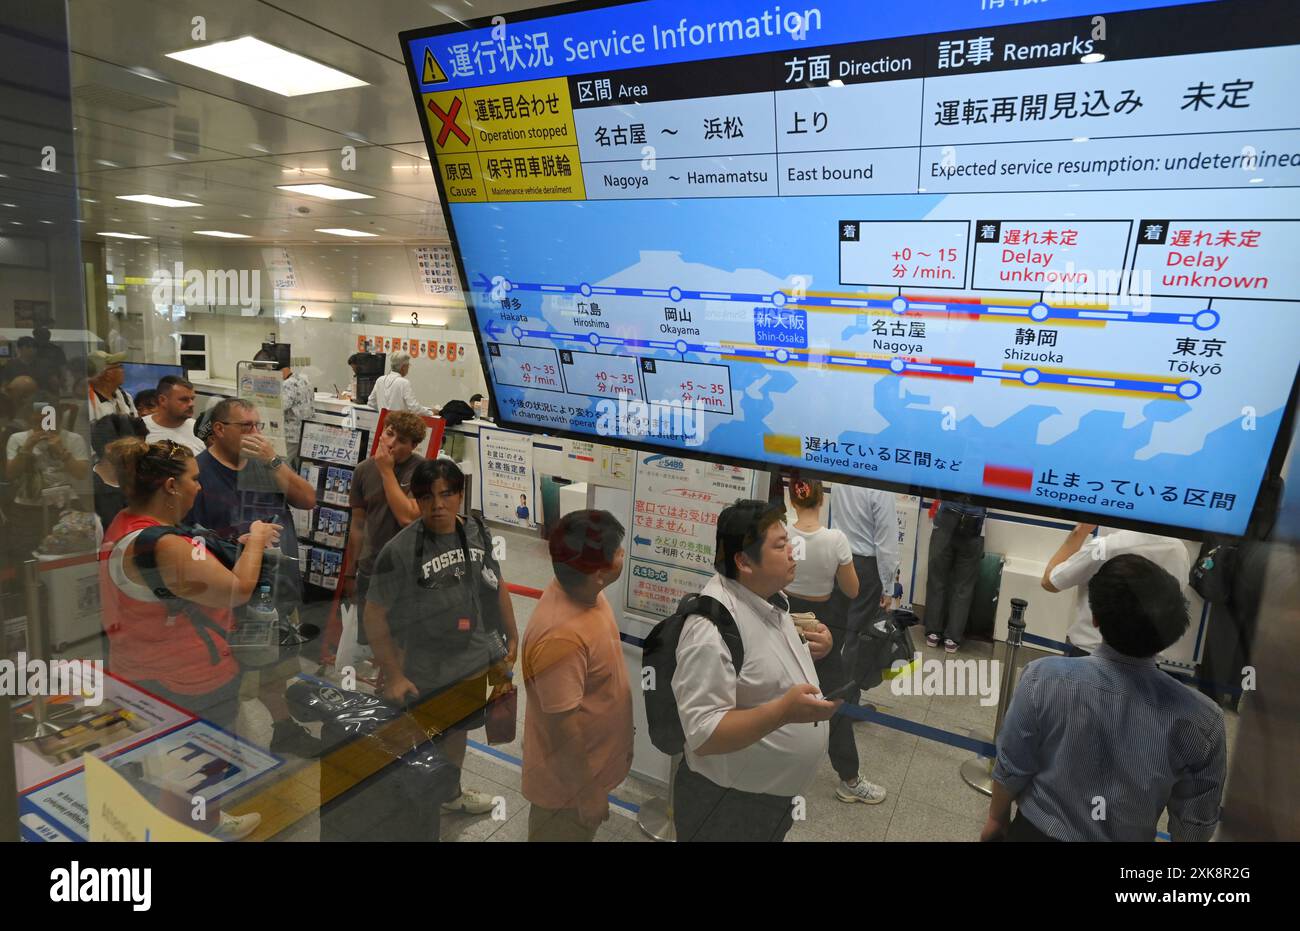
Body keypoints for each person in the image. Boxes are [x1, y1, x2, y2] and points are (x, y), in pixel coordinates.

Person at [984, 554, 1226, 841]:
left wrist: (996, 820)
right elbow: (1194, 826)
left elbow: (1012, 767)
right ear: (1175, 629)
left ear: (1096, 619)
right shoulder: (1203, 720)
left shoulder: (1043, 678)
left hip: (1035, 834)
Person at [99, 436, 267, 840]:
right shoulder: (165, 544)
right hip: (188, 678)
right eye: (193, 478)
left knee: (168, 764)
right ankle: (202, 830)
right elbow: (237, 589)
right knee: (199, 763)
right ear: (170, 486)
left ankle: (180, 825)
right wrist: (258, 540)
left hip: (139, 668)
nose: (199, 486)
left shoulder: (126, 523)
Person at [364, 458, 520, 830]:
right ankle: (416, 816)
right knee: (417, 744)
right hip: (423, 671)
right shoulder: (399, 551)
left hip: (472, 662)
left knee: (458, 732)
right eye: (427, 496)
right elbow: (374, 615)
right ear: (416, 500)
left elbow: (495, 583)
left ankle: (449, 795)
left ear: (459, 495)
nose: (437, 505)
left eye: (446, 494)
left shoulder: (477, 532)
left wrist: (511, 636)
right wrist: (395, 674)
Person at [671, 499, 838, 842]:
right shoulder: (709, 630)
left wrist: (811, 649)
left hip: (767, 799)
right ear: (743, 561)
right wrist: (783, 712)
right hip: (726, 807)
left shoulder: (767, 596)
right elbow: (704, 733)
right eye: (780, 545)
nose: (793, 550)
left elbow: (760, 669)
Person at [186, 397, 319, 757]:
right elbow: (190, 539)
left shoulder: (266, 466)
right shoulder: (197, 473)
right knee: (232, 678)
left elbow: (307, 500)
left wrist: (274, 461)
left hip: (276, 589)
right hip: (230, 595)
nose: (255, 434)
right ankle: (220, 749)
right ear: (218, 430)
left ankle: (283, 728)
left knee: (278, 666)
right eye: (246, 427)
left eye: (259, 426)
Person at [522, 510, 633, 842]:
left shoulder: (583, 592)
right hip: (566, 792)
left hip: (587, 772)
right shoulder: (561, 636)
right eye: (617, 551)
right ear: (599, 573)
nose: (623, 554)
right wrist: (587, 792)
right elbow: (561, 726)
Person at [784, 478, 885, 804]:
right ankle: (850, 780)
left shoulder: (780, 532)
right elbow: (853, 590)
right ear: (821, 498)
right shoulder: (835, 540)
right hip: (823, 632)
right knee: (835, 705)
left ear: (792, 496)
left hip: (784, 628)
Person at [1042, 523, 1190, 657]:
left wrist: (1080, 531)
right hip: (1148, 661)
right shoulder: (1179, 550)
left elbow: (1051, 582)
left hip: (1091, 653)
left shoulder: (1109, 546)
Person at [344, 412, 428, 642]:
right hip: (371, 565)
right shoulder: (362, 470)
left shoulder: (423, 471)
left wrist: (386, 471)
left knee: (400, 640)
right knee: (368, 636)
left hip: (406, 570)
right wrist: (351, 571)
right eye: (389, 434)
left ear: (414, 446)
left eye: (401, 441)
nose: (391, 443)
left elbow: (408, 517)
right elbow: (358, 523)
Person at [5, 401, 90, 557]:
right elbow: (10, 474)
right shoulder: (18, 438)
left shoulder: (73, 439)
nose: (43, 425)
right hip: (27, 504)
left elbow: (81, 474)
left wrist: (62, 451)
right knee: (24, 552)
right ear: (30, 419)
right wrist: (26, 448)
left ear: (57, 418)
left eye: (48, 420)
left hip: (64, 502)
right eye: (38, 421)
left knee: (74, 550)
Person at [829, 483, 899, 670]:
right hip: (866, 568)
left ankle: (827, 683)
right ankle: (847, 691)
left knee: (834, 628)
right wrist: (888, 587)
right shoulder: (881, 486)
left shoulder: (839, 476)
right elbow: (886, 542)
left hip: (838, 559)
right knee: (856, 635)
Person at [923, 500, 986, 653]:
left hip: (945, 526)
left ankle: (933, 633)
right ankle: (952, 638)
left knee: (937, 581)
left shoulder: (955, 474)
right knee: (963, 588)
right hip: (974, 529)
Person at [90, 413, 147, 531]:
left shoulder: (148, 482)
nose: (143, 452)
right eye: (135, 447)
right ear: (110, 449)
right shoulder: (87, 490)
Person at [143, 375, 204, 454]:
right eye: (184, 399)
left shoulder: (199, 429)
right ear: (162, 400)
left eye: (192, 399)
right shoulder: (140, 429)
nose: (191, 404)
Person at [367, 351, 433, 416]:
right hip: (399, 424)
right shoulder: (404, 383)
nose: (408, 368)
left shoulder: (380, 380)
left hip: (382, 424)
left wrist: (383, 411)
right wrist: (431, 412)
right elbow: (414, 408)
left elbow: (371, 402)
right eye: (408, 365)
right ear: (403, 367)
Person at [86, 351, 135, 421]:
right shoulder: (88, 403)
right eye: (120, 366)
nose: (123, 370)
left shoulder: (125, 397)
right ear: (108, 374)